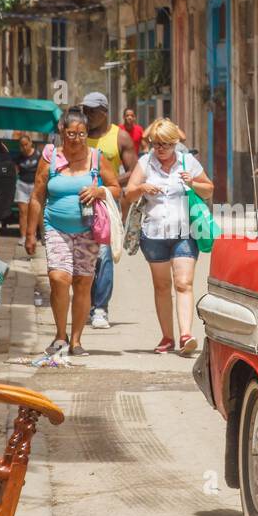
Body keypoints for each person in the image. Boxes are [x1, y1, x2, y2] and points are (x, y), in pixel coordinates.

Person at [25, 107, 122, 357]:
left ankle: (76, 340)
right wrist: (29, 233)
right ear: (62, 132)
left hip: (88, 230)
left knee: (82, 282)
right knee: (59, 278)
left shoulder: (96, 158)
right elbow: (37, 196)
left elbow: (116, 187)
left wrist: (99, 191)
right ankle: (60, 335)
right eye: (71, 133)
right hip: (55, 227)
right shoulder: (50, 158)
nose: (77, 139)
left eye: (81, 134)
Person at [125, 118, 214, 356]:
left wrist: (192, 183)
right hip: (153, 234)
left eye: (165, 144)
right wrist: (142, 188)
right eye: (156, 144)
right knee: (162, 286)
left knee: (183, 283)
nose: (160, 149)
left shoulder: (187, 162)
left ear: (175, 143)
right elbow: (129, 194)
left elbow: (209, 189)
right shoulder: (145, 163)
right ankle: (167, 337)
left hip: (184, 233)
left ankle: (186, 335)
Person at [82, 91, 137, 330]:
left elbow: (134, 171)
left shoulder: (120, 137)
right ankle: (86, 304)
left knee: (103, 256)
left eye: (92, 111)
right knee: (83, 257)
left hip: (105, 204)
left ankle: (100, 308)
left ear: (104, 112)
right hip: (79, 202)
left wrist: (108, 182)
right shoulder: (79, 135)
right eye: (85, 110)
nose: (87, 115)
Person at [14, 133, 39, 245]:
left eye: (26, 144)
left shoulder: (38, 155)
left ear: (30, 143)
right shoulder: (18, 157)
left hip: (34, 186)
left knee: (33, 212)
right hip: (22, 185)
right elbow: (15, 171)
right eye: (21, 145)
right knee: (23, 212)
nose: (24, 147)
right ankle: (23, 236)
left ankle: (33, 234)